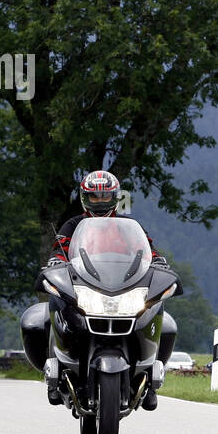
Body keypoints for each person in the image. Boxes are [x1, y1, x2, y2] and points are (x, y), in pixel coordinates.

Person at [43, 170, 173, 410]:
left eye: (105, 197)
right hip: (85, 284)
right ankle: (55, 375)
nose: (100, 202)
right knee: (52, 306)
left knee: (165, 321)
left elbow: (147, 249)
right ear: (85, 198)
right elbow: (59, 249)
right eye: (95, 198)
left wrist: (157, 261)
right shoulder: (74, 224)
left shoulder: (127, 226)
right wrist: (56, 261)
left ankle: (150, 381)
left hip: (124, 286)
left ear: (114, 197)